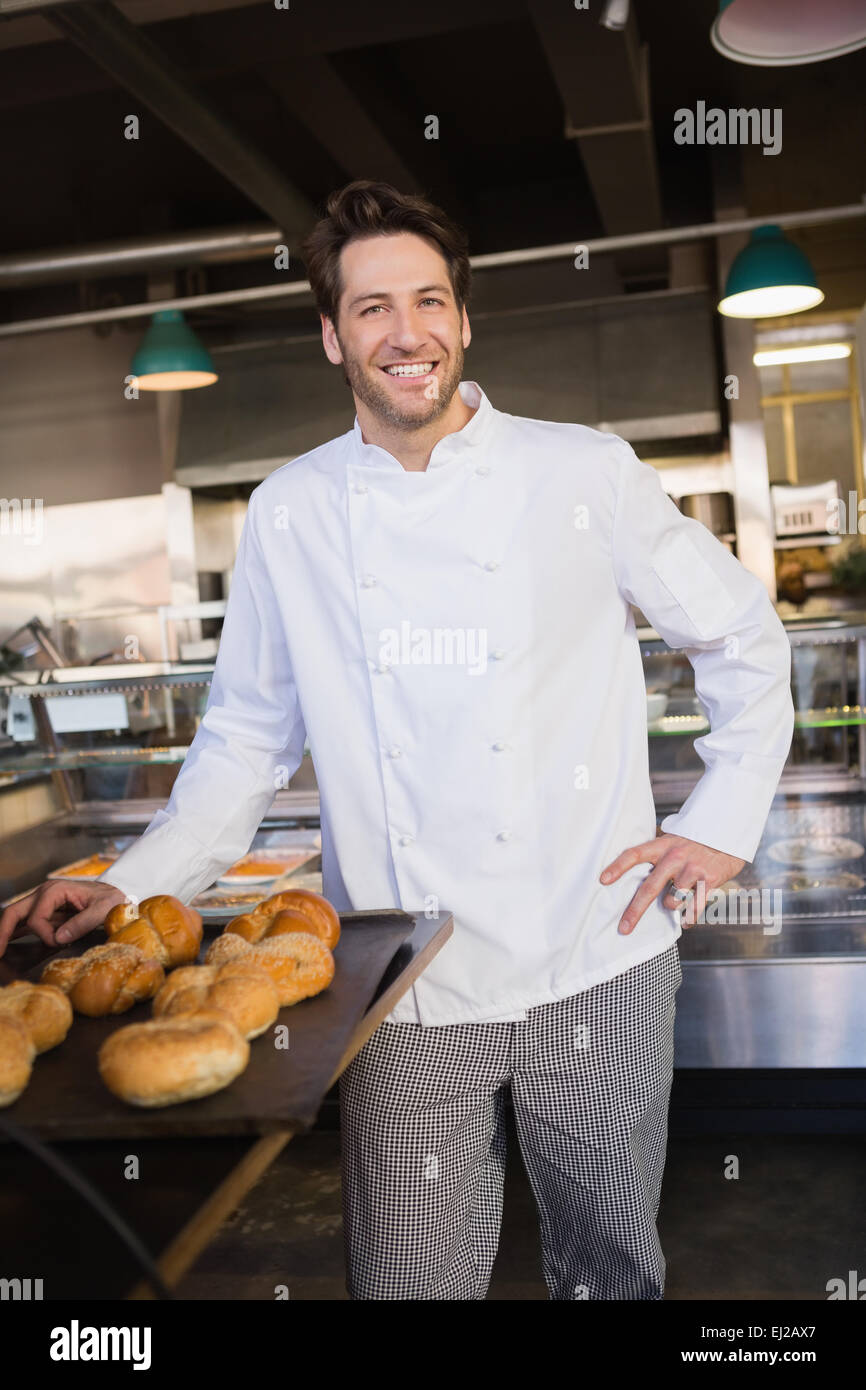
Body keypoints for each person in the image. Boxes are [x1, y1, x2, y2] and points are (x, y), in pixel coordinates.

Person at [0, 180, 795, 1300]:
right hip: (406, 981)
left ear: (462, 321)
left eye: (427, 301)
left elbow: (744, 639)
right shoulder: (291, 512)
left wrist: (714, 827)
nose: (405, 332)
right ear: (332, 337)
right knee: (408, 1285)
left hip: (596, 952)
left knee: (610, 1266)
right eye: (371, 309)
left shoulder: (582, 473)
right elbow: (240, 745)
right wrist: (124, 883)